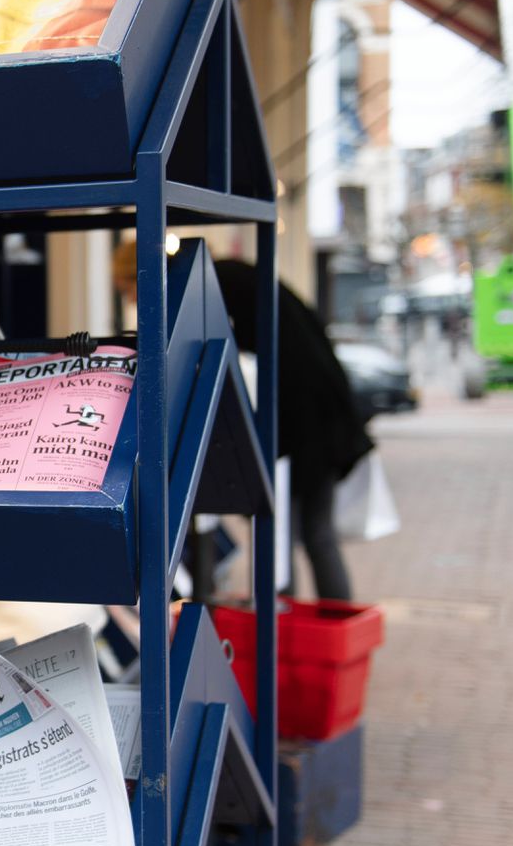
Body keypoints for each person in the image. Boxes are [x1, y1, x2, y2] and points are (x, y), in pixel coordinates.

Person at [110, 243, 372, 602]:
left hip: (306, 422)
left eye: (128, 291)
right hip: (320, 412)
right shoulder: (228, 276)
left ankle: (288, 630)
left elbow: (205, 362)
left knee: (291, 533)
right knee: (307, 532)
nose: (133, 302)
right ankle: (306, 626)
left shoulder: (209, 289)